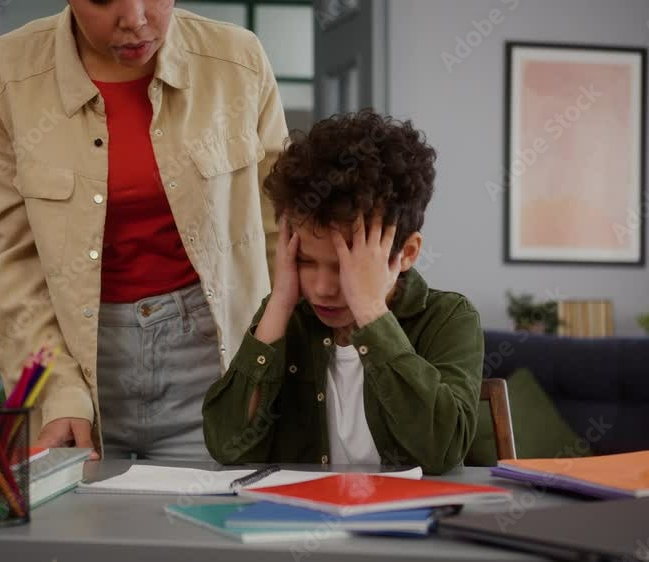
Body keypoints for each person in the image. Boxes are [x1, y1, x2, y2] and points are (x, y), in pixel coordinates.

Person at [0, 0, 287, 461]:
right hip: (77, 365)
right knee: (82, 531)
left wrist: (279, 369)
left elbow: (283, 234)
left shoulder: (238, 59)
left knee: (210, 530)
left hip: (220, 370)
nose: (134, 18)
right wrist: (58, 392)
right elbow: (10, 255)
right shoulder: (0, 74)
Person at [202, 109, 484, 474]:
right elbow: (227, 446)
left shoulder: (448, 318)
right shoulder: (287, 317)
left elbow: (440, 451)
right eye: (305, 261)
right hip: (299, 521)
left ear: (407, 253)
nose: (321, 289)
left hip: (403, 524)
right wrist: (279, 303)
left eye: (346, 266)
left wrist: (370, 310)